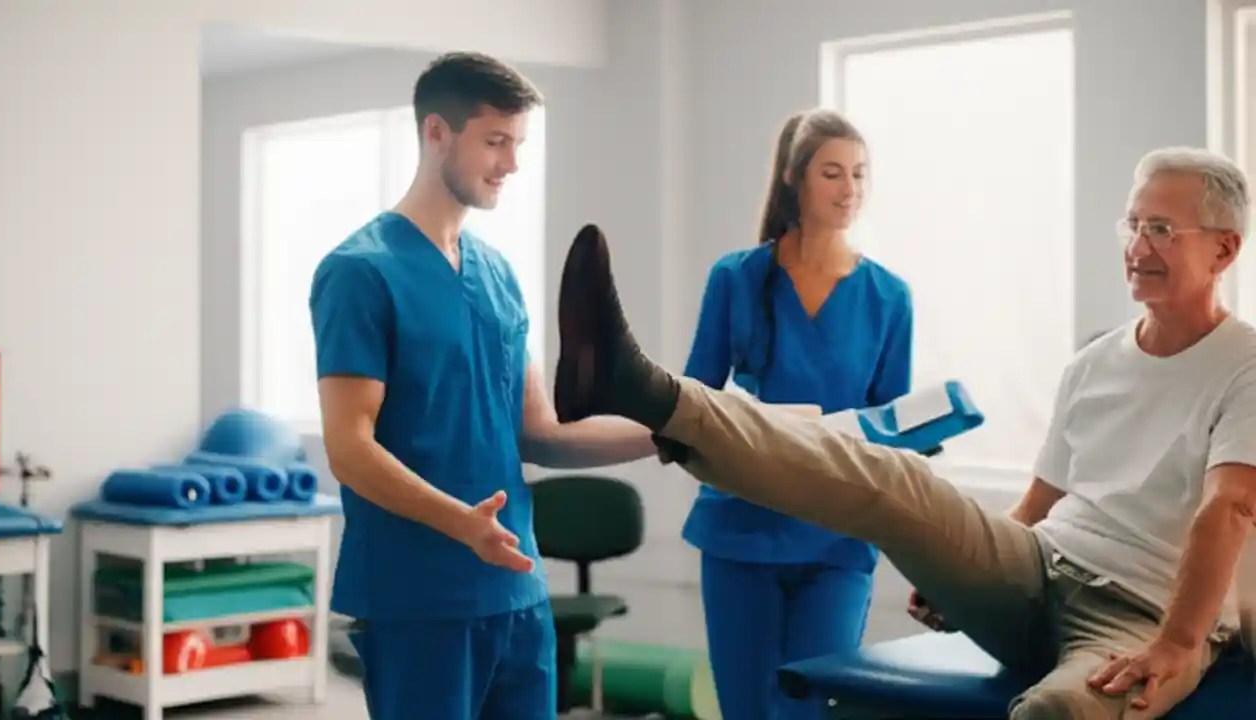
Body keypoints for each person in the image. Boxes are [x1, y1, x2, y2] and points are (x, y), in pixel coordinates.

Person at [552, 146, 1255, 719]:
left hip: (1137, 613)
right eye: (1132, 224)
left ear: (1224, 250)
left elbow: (1227, 509)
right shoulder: (1094, 362)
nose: (1137, 245)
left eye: (1161, 229)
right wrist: (963, 569)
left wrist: (1178, 643)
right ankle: (638, 387)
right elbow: (1040, 502)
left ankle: (645, 393)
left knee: (1058, 711)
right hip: (1036, 571)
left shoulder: (1244, 366)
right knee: (893, 478)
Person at [310, 51, 654, 720]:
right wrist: (460, 524)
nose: (512, 163)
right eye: (496, 141)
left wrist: (671, 435)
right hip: (420, 597)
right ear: (436, 132)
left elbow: (539, 433)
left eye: (519, 143)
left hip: (516, 592)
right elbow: (348, 448)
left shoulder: (498, 274)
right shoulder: (359, 272)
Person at [678, 109, 912, 718]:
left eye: (860, 174)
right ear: (794, 179)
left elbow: (895, 429)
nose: (850, 189)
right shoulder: (735, 278)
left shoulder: (889, 296)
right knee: (749, 709)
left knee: (811, 709)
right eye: (832, 173)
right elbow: (692, 401)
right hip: (741, 529)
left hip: (838, 534)